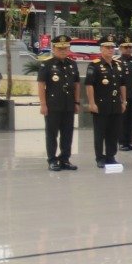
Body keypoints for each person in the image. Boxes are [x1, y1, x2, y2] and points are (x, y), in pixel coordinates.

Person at [37, 35, 80, 171]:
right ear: (54, 48)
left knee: (68, 133)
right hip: (53, 104)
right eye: (60, 48)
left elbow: (77, 84)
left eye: (66, 48)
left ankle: (65, 159)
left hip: (68, 105)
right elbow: (41, 85)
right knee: (52, 133)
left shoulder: (72, 64)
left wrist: (77, 102)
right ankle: (52, 159)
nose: (63, 50)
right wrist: (43, 104)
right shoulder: (47, 64)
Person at [84, 39, 125, 167]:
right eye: (107, 47)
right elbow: (89, 85)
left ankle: (111, 156)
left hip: (115, 104)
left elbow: (122, 85)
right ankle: (100, 157)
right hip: (101, 104)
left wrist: (124, 101)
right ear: (101, 49)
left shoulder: (118, 65)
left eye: (112, 47)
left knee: (114, 132)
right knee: (100, 132)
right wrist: (91, 103)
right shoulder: (94, 65)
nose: (110, 50)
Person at [116, 38, 132, 152]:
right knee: (122, 120)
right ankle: (121, 142)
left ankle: (129, 141)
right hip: (122, 96)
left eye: (130, 47)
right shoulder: (117, 62)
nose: (128, 49)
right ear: (120, 48)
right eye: (126, 47)